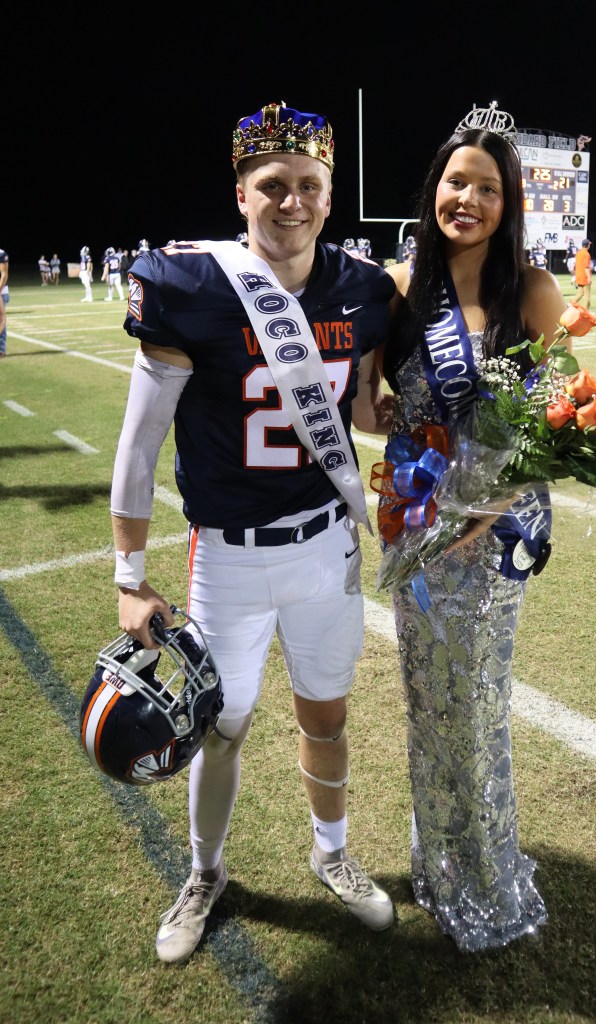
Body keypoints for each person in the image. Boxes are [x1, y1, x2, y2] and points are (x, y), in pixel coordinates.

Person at [110, 99, 396, 965]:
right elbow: (139, 441)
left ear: (330, 192)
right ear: (242, 194)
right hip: (227, 560)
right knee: (221, 725)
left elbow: (366, 405)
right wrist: (129, 574)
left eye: (309, 185)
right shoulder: (191, 285)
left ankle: (333, 854)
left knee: (327, 716)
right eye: (273, 186)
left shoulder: (363, 288)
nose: (292, 202)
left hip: (323, 548)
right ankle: (206, 872)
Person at [372, 100, 568, 952]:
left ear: (509, 201)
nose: (470, 199)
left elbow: (553, 430)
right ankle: (438, 862)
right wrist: (375, 410)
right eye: (458, 181)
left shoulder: (532, 293)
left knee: (480, 705)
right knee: (426, 702)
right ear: (436, 190)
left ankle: (485, 868)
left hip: (488, 547)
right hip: (418, 535)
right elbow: (377, 399)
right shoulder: (398, 286)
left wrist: (483, 508)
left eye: (488, 187)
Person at [573, 237, 592, 309]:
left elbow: (576, 265)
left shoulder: (578, 253)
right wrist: (589, 278)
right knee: (587, 296)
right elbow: (586, 267)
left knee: (580, 293)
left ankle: (570, 305)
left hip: (578, 275)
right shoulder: (586, 254)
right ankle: (586, 312)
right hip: (585, 277)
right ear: (588, 245)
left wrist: (575, 276)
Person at [0, 246, 8, 357]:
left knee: (1, 319)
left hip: (1, 291)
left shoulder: (1, 254)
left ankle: (1, 349)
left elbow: (4, 274)